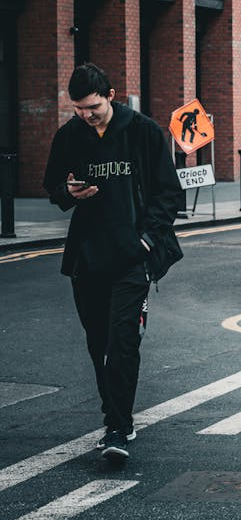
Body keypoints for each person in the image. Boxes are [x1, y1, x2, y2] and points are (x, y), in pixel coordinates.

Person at [42, 62, 184, 462]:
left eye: (93, 108)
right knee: (98, 344)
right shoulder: (70, 135)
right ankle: (115, 414)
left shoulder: (143, 132)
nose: (87, 116)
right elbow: (53, 184)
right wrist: (69, 192)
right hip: (87, 258)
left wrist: (146, 240)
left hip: (131, 257)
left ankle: (117, 429)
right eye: (79, 109)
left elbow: (168, 194)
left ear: (111, 95)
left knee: (122, 343)